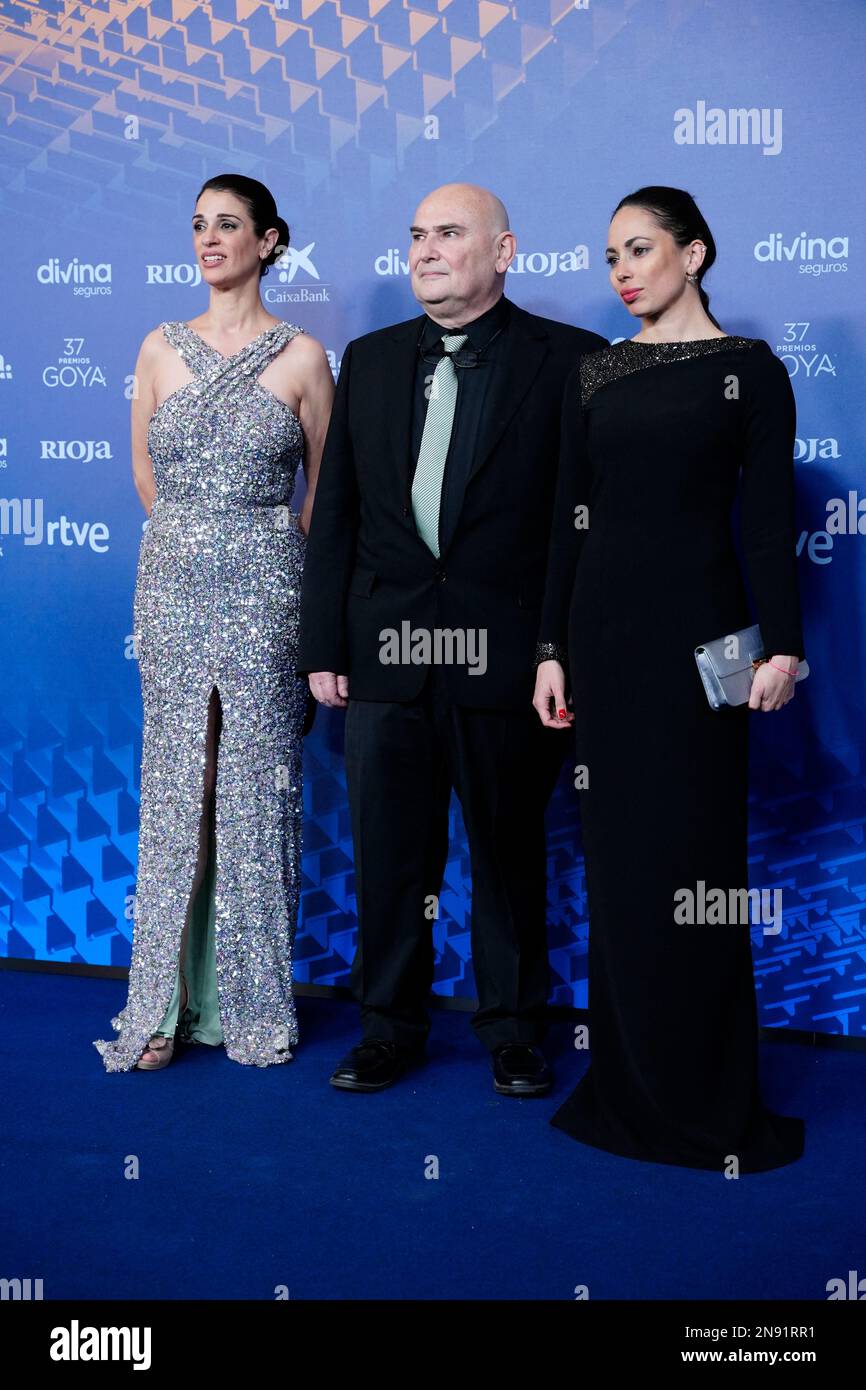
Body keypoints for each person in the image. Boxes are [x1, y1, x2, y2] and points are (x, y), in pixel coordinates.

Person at [298, 183, 607, 1095]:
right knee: (392, 859)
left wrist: (555, 649)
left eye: (450, 234)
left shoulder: (570, 361)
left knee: (509, 856)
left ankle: (513, 1029)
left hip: (505, 658)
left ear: (504, 251)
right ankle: (389, 1029)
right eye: (417, 236)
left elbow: (571, 528)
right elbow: (337, 517)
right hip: (385, 658)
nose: (426, 249)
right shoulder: (372, 358)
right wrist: (325, 646)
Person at [534, 185, 806, 1171]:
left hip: (711, 642)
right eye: (609, 254)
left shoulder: (748, 371)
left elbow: (768, 521)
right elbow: (567, 514)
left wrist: (780, 646)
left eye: (639, 248)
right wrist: (547, 649)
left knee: (698, 861)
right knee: (621, 863)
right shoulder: (593, 373)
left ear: (693, 253)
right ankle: (628, 1088)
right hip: (602, 641)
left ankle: (704, 1096)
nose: (621, 270)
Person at [94, 174, 334, 1071]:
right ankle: (159, 1004)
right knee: (176, 787)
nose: (209, 238)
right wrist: (195, 545)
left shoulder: (304, 356)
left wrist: (267, 559)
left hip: (269, 589)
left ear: (269, 241)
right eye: (198, 225)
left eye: (228, 225)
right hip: (172, 589)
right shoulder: (158, 346)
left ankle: (252, 1008)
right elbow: (145, 480)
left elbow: (326, 499)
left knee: (258, 790)